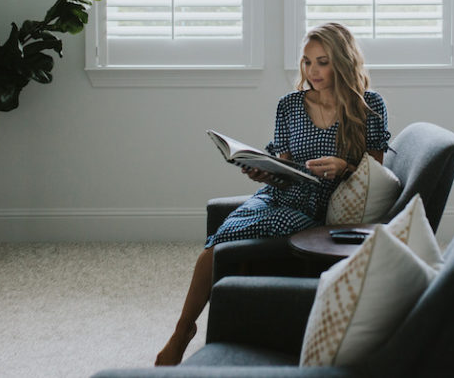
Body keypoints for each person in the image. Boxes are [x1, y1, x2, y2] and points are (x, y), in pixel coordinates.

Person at [154, 22, 391, 366]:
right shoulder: (290, 105)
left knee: (226, 245)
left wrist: (344, 167)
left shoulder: (368, 105)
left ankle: (189, 332)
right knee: (215, 247)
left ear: (342, 60)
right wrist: (262, 171)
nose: (313, 71)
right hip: (280, 196)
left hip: (319, 209)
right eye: (307, 61)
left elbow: (376, 171)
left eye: (322, 61)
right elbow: (283, 168)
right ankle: (182, 330)